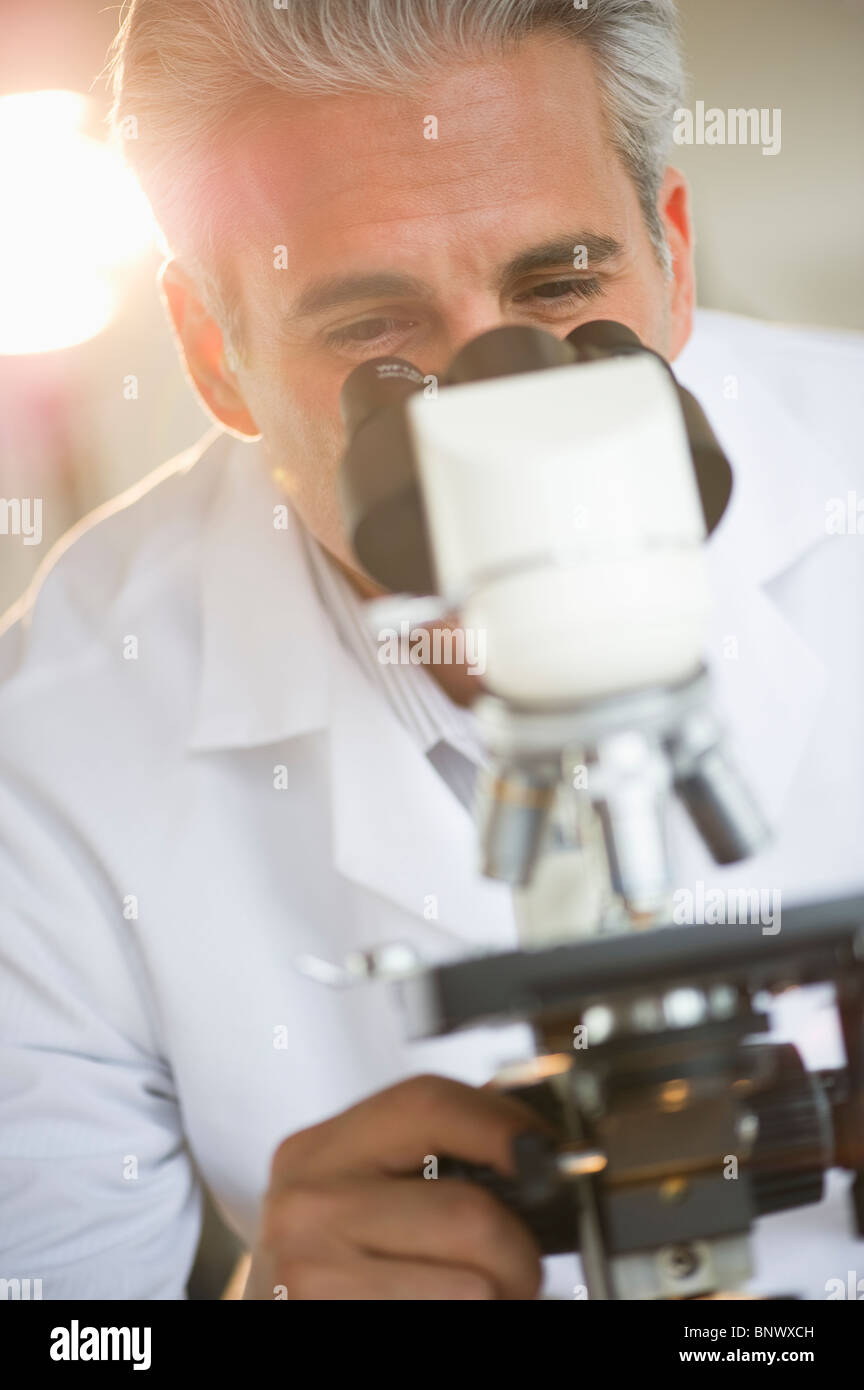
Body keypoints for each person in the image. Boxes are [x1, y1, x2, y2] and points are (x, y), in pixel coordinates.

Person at [1, 0, 862, 1301]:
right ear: (211, 356)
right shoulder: (53, 739)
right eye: (371, 334)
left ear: (672, 257)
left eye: (561, 288)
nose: (488, 405)